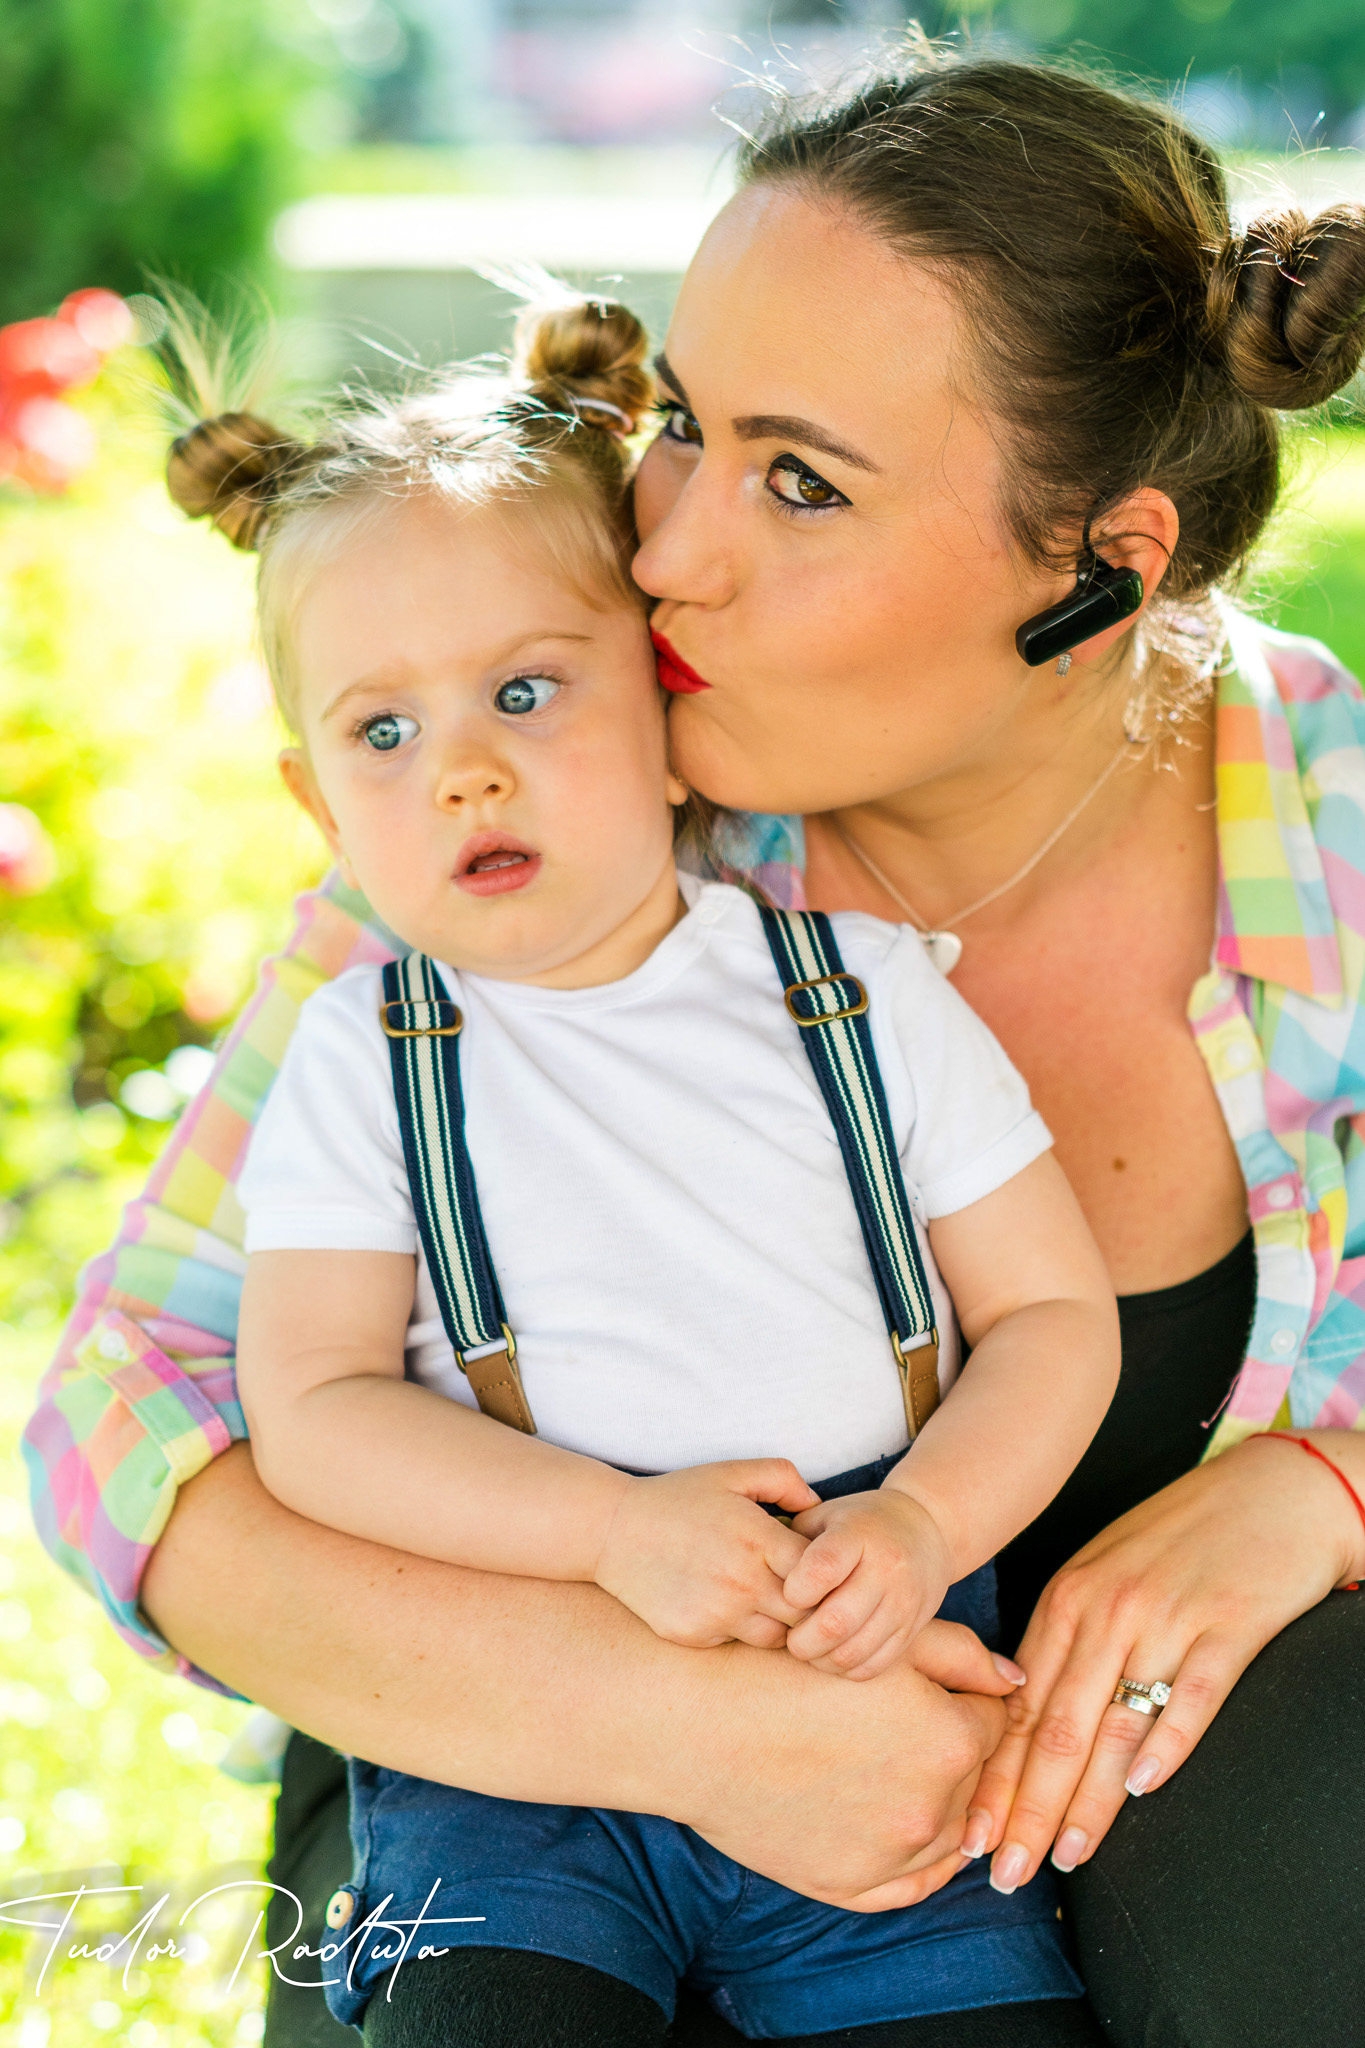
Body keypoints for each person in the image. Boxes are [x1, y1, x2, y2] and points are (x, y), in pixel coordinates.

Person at [23, 45, 1365, 2048]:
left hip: (1046, 1792)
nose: (658, 546)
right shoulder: (550, 815)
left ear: (1100, 562)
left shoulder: (1318, 794)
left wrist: (1317, 1486)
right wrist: (686, 1724)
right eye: (680, 424)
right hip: (525, 1776)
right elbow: (123, 1423)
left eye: (794, 479)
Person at [197, 293, 1118, 2036]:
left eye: (526, 691)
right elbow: (313, 1406)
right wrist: (607, 1531)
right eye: (382, 735)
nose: (463, 768)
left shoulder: (853, 995)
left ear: (656, 690)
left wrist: (922, 1522)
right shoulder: (365, 1061)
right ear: (318, 806)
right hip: (517, 1744)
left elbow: (1057, 1316)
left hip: (867, 1657)